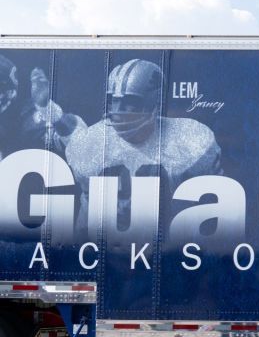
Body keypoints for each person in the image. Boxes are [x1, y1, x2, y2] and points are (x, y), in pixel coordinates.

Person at [65, 58, 222, 235]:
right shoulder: (91, 140)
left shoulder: (190, 138)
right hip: (102, 250)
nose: (118, 111)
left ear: (155, 104)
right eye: (113, 101)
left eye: (130, 102)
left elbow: (212, 212)